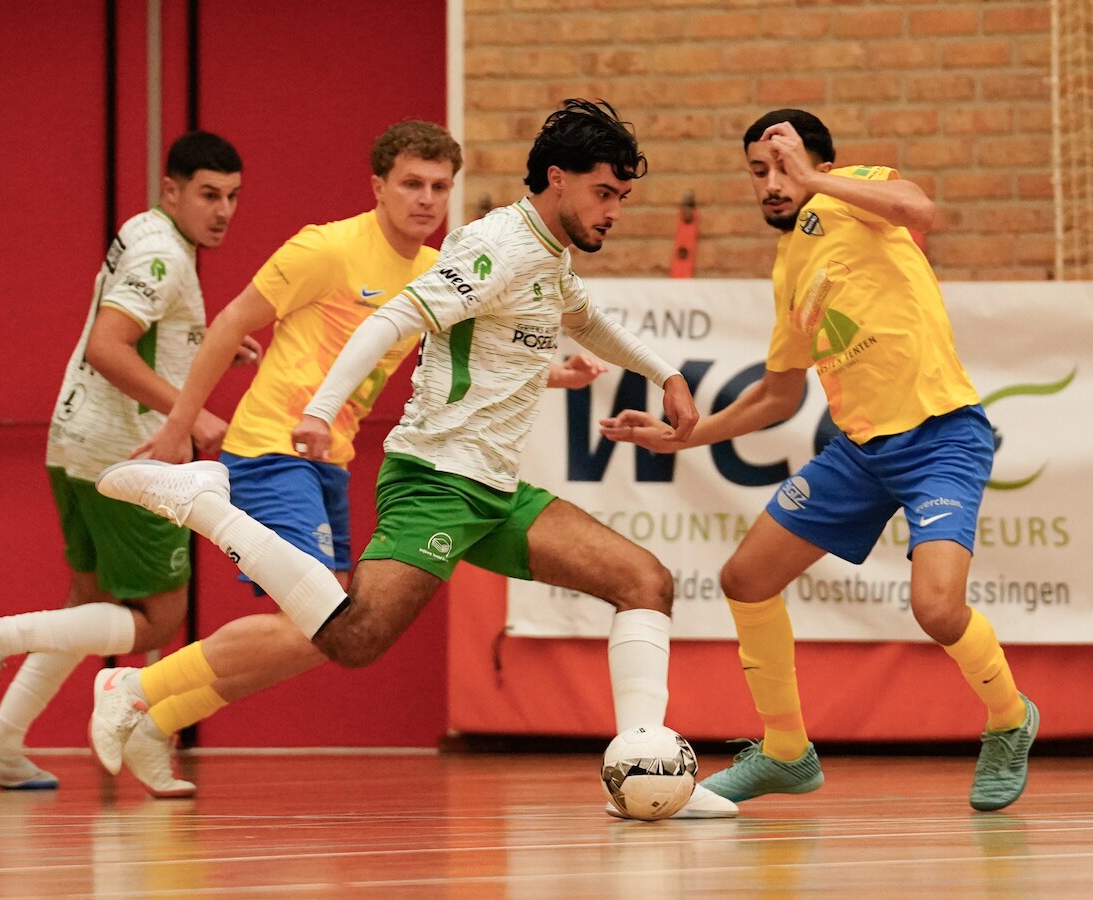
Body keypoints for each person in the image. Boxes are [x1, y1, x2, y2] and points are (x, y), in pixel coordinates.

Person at [92, 98, 736, 819]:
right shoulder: (494, 245)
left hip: (493, 489)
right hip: (434, 480)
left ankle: (645, 772)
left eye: (621, 195)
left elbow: (584, 320)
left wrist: (666, 375)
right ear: (557, 178)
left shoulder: (547, 255)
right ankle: (199, 511)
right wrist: (317, 408)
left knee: (643, 581)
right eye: (605, 193)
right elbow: (391, 318)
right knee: (353, 638)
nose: (614, 210)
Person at [600, 109, 1039, 813]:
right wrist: (682, 435)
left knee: (935, 607)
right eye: (758, 172)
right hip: (860, 453)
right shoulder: (788, 266)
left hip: (941, 437)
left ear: (822, 166)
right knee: (745, 579)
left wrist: (813, 178)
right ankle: (784, 752)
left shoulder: (859, 194)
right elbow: (777, 396)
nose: (772, 185)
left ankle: (1008, 719)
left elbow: (922, 209)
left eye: (784, 167)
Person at [0, 131, 249, 796]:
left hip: (75, 441)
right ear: (170, 190)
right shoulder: (166, 257)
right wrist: (189, 416)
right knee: (163, 617)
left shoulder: (144, 232)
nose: (222, 210)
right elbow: (108, 346)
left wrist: (202, 350)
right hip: (124, 452)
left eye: (231, 197)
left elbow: (140, 335)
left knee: (87, 600)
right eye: (207, 195)